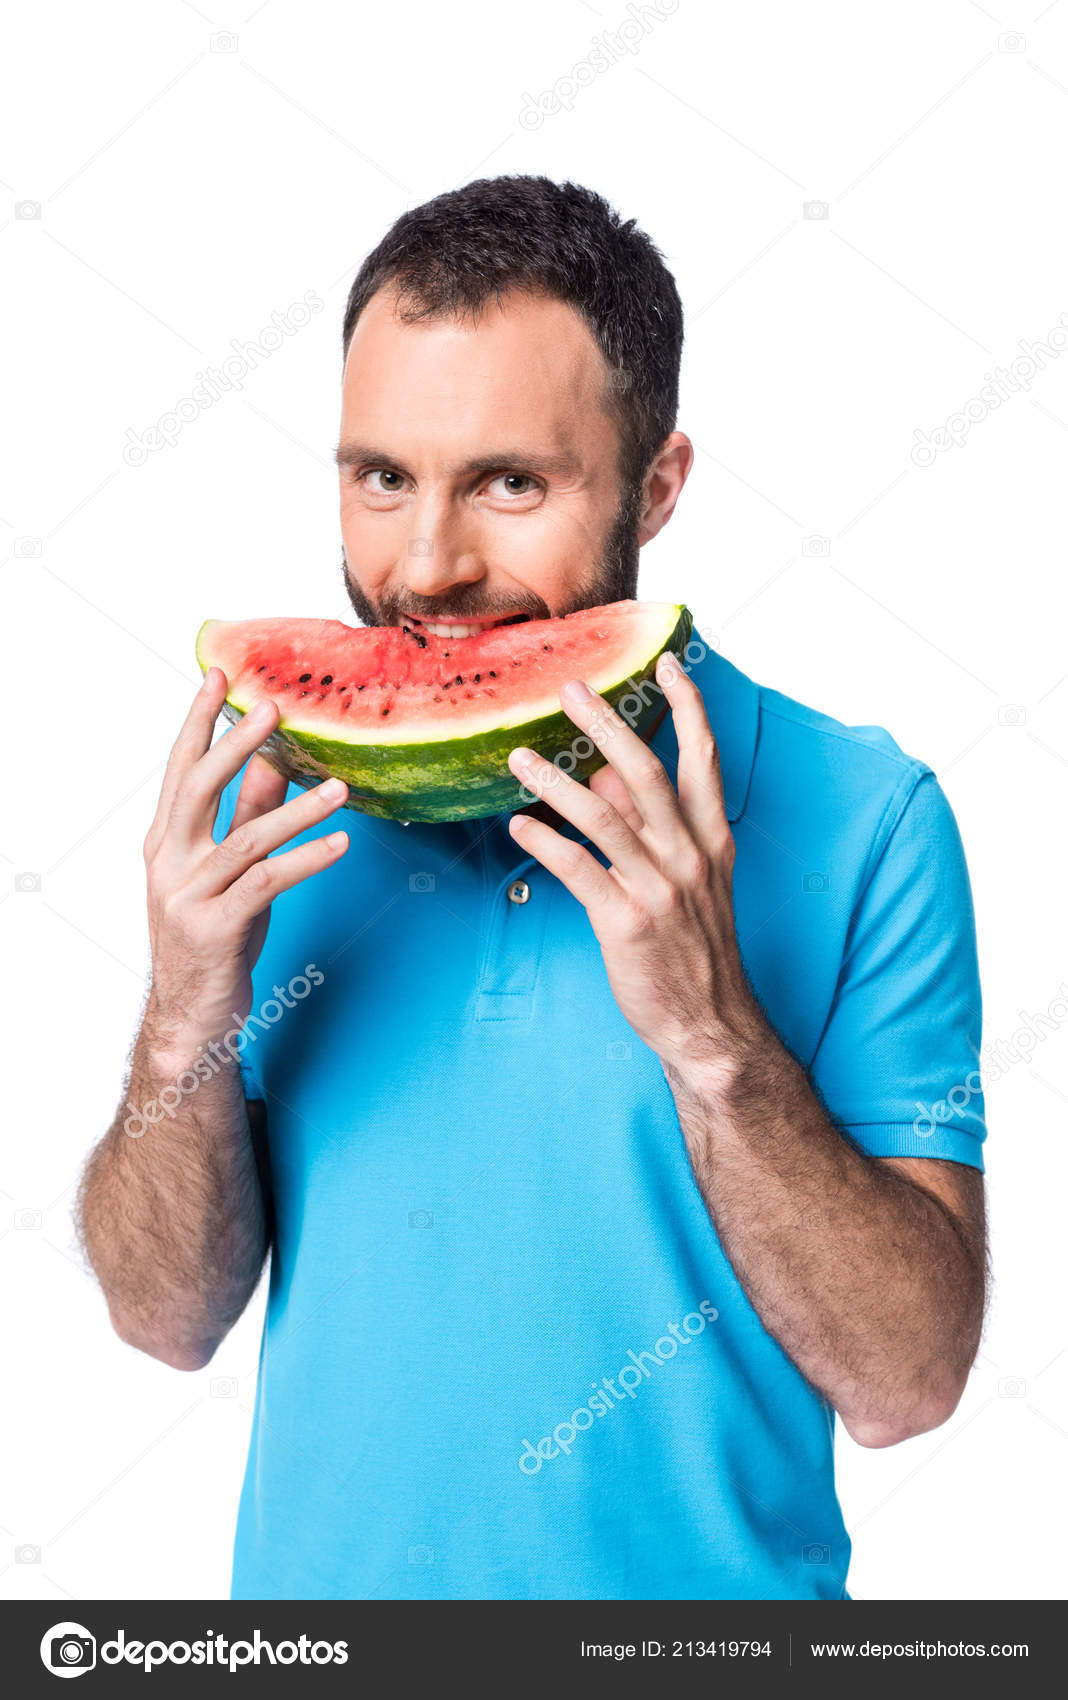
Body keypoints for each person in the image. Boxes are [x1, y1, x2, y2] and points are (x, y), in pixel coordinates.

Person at [77, 175, 988, 1602]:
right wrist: (186, 1010)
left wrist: (713, 1039)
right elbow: (161, 1319)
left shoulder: (864, 819)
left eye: (510, 483)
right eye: (381, 476)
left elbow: (908, 1382)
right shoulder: (276, 810)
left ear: (658, 484)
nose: (427, 569)